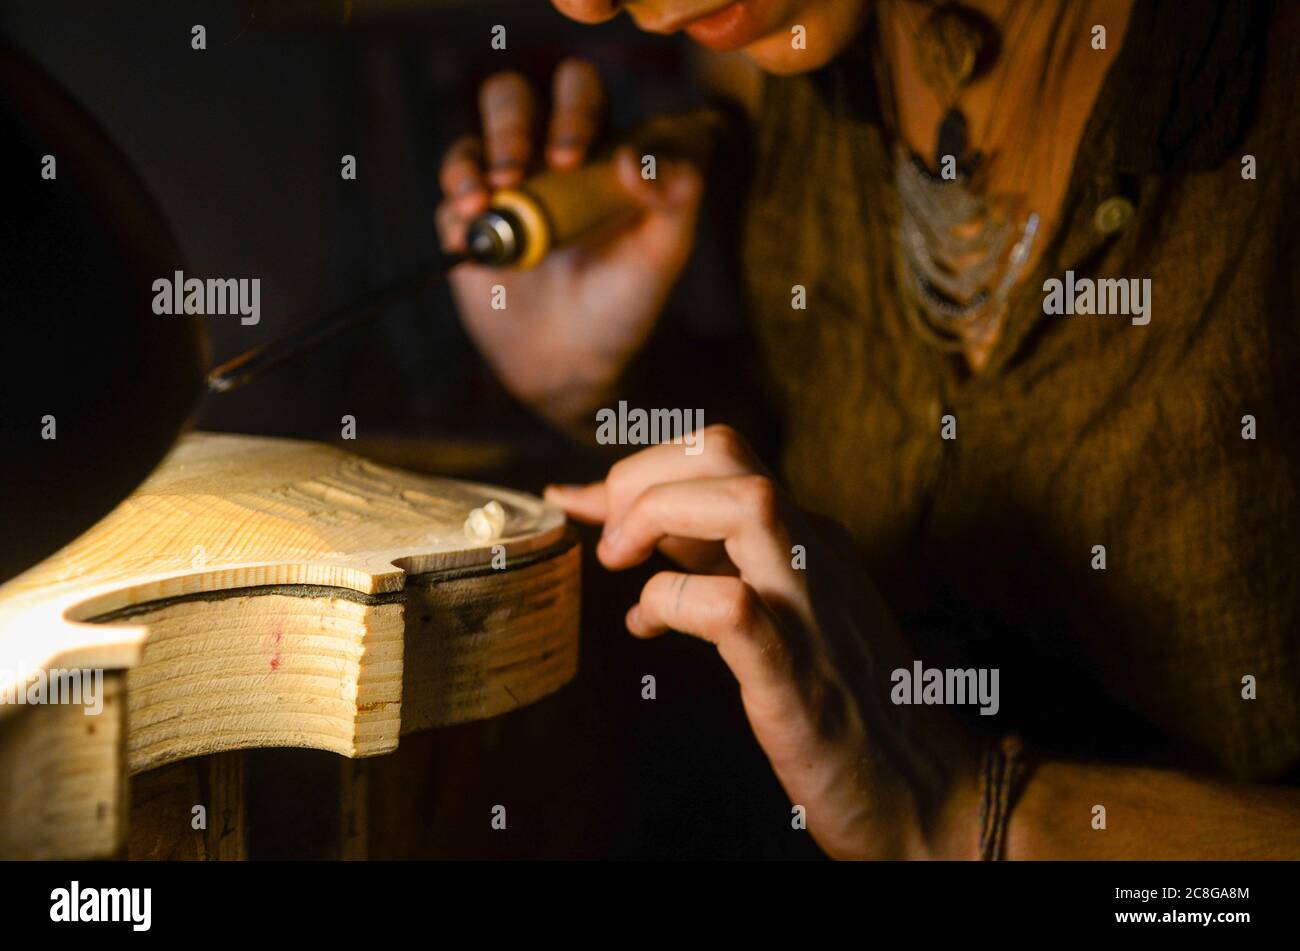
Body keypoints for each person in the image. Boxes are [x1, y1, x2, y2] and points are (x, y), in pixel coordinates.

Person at [436, 0, 1300, 859]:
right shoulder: (775, 61)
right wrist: (598, 387)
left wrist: (968, 815)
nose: (593, 6)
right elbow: (811, 452)